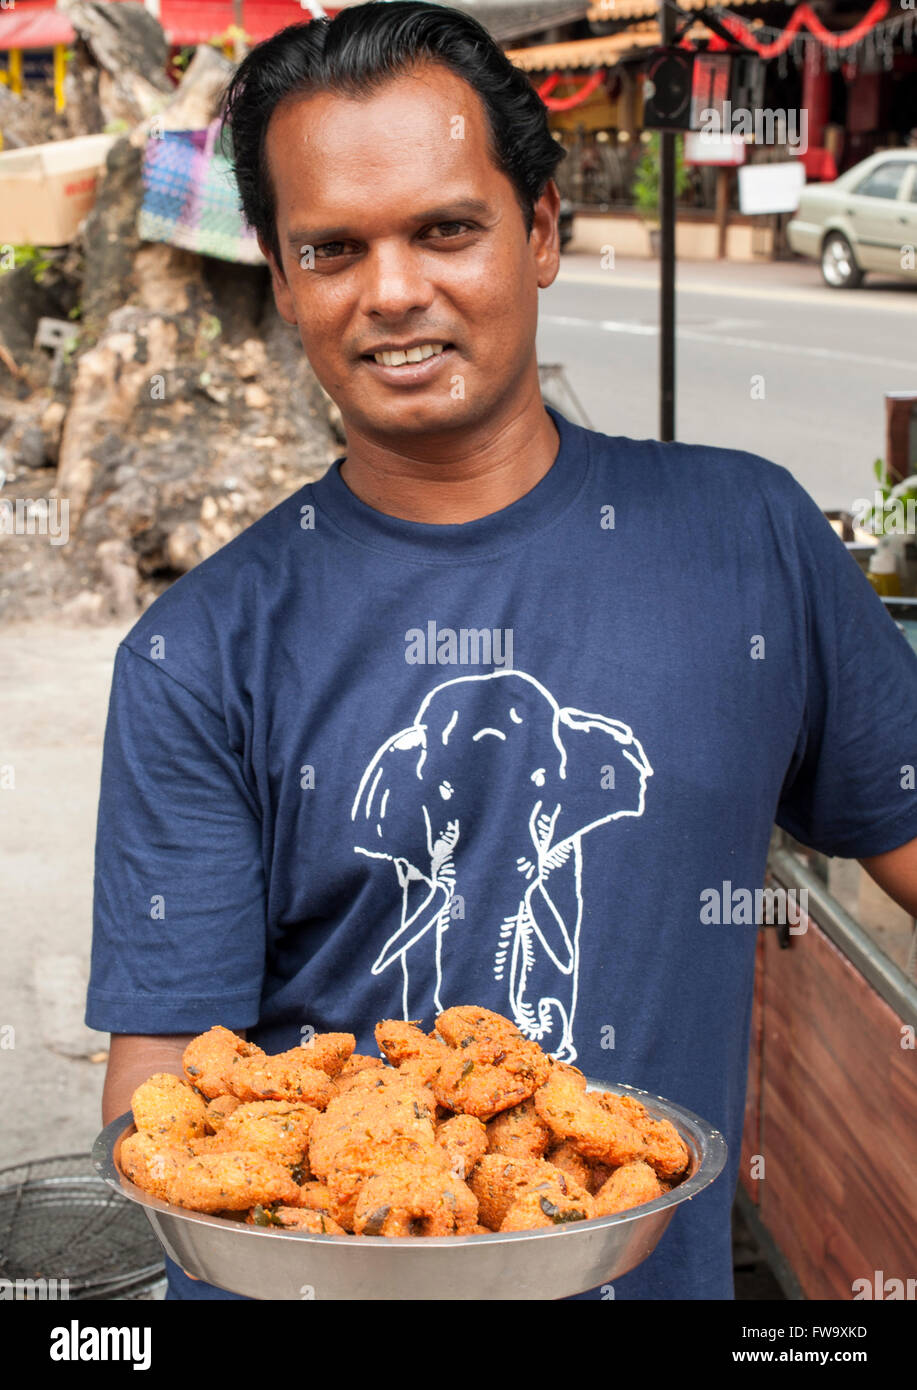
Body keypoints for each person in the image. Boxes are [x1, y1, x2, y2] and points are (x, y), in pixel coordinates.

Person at [86, 1, 917, 1301]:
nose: (393, 289)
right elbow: (162, 1082)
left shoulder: (745, 541)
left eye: (445, 228)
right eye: (333, 248)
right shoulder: (196, 653)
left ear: (539, 229)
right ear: (281, 269)